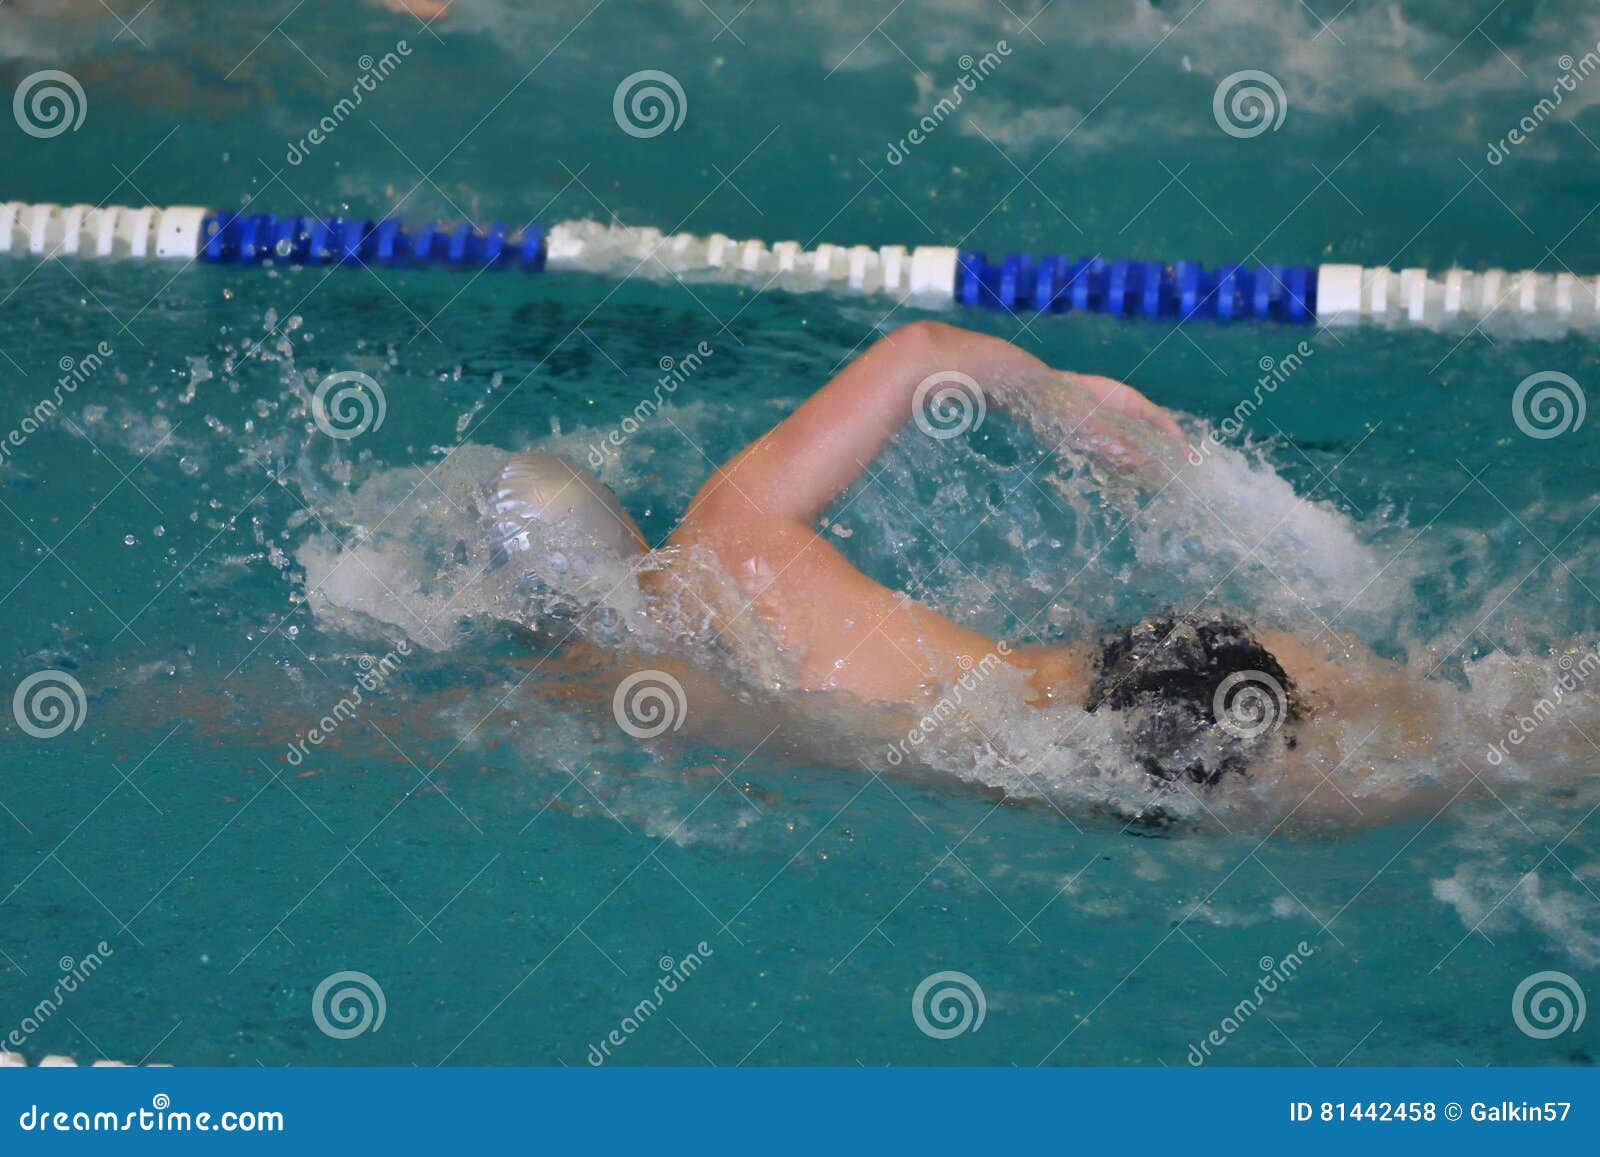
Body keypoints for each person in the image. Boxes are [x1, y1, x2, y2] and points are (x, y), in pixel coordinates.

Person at [482, 321, 1443, 819]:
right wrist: (1058, 399)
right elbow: (921, 353)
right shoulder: (745, 556)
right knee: (1442, 725)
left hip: (1073, 751)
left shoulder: (643, 675)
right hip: (1171, 690)